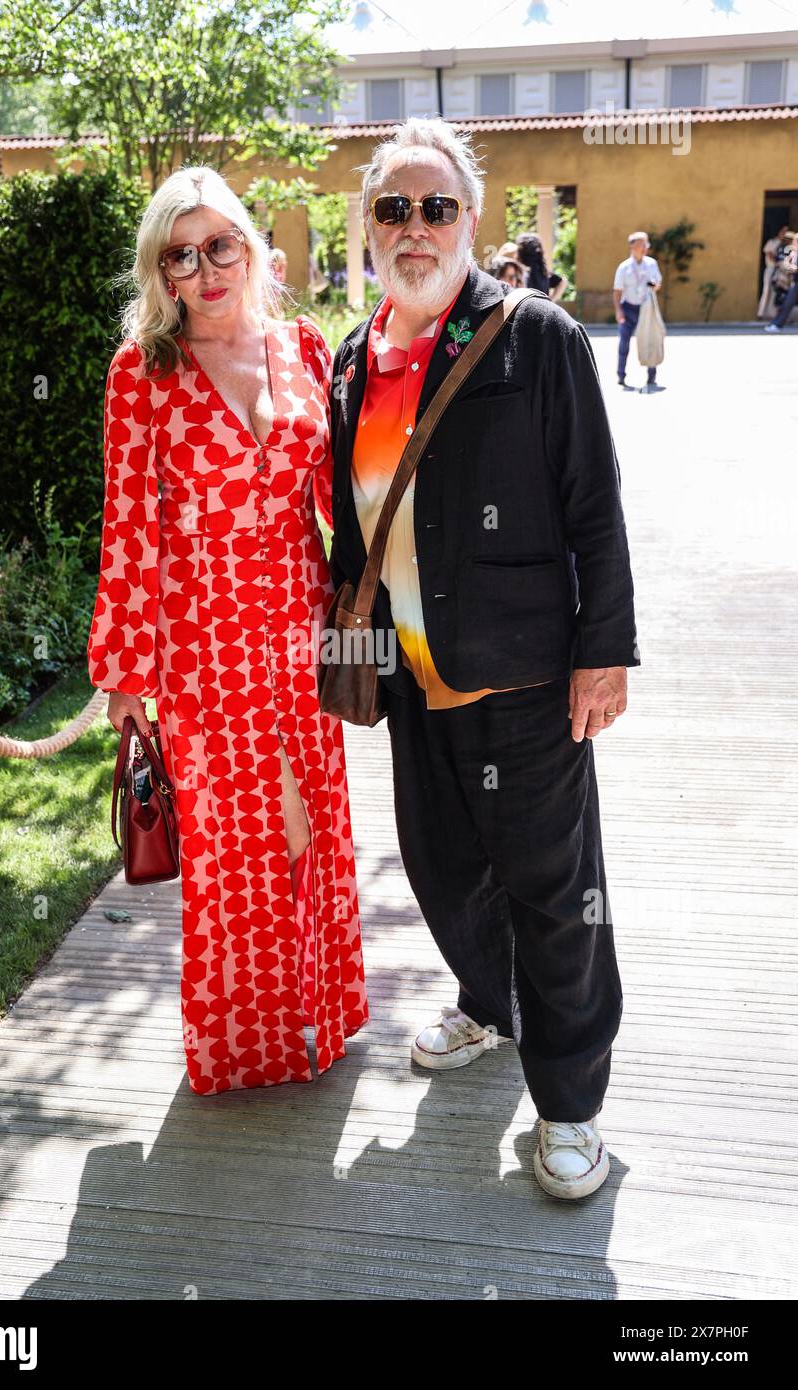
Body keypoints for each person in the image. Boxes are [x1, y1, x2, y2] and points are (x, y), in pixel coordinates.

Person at [325, 117, 639, 1200]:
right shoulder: (353, 359)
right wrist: (351, 663)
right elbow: (349, 534)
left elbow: (594, 505)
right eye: (394, 208)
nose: (415, 229)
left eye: (438, 207)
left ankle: (570, 1104)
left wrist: (605, 651)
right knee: (443, 866)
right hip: (418, 677)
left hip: (526, 677)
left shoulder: (535, 335)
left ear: (472, 220)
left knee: (556, 894)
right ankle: (490, 1004)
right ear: (368, 224)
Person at [87, 166, 369, 1095]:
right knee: (232, 850)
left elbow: (343, 499)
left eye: (221, 245)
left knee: (310, 825)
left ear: (252, 248)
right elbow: (127, 527)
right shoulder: (142, 374)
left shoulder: (303, 345)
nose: (204, 270)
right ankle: (247, 1047)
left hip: (301, 625)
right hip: (202, 642)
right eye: (180, 254)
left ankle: (317, 1023)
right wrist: (126, 675)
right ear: (159, 272)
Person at [613, 232, 663, 391]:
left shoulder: (652, 264)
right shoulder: (624, 267)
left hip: (646, 308)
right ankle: (621, 375)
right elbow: (617, 292)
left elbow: (658, 284)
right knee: (624, 342)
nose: (645, 248)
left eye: (646, 245)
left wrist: (655, 285)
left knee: (650, 340)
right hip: (628, 308)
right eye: (642, 245)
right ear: (633, 246)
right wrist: (618, 311)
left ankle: (651, 376)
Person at [515, 231, 567, 301]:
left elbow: (562, 282)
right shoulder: (542, 270)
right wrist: (551, 301)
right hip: (543, 309)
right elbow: (562, 282)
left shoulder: (522, 271)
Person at [763, 232, 798, 331]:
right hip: (795, 282)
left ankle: (777, 324)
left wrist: (793, 268)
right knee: (787, 304)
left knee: (787, 304)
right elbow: (788, 264)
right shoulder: (793, 252)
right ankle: (776, 324)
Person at [757, 224, 790, 320]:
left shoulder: (785, 244)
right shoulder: (772, 242)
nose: (784, 234)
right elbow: (769, 254)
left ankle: (772, 315)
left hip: (781, 271)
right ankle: (761, 313)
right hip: (771, 269)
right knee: (767, 290)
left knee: (776, 293)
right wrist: (777, 263)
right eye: (783, 231)